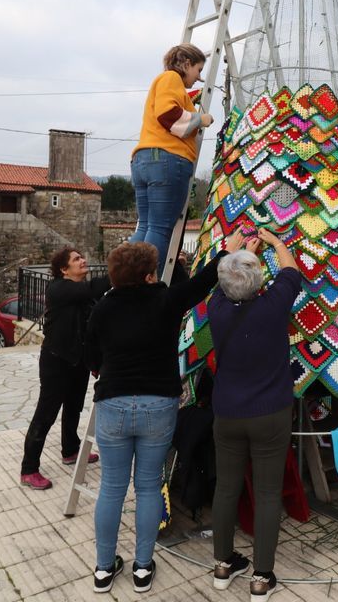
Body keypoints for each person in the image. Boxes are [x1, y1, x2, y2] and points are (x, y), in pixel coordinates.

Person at [85, 233, 244, 594]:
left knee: (111, 488)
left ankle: (103, 569)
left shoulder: (101, 309)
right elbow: (204, 283)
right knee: (147, 486)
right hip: (159, 404)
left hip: (113, 404)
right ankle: (143, 568)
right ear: (148, 276)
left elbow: (92, 361)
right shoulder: (165, 301)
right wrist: (225, 251)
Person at [206, 228, 303, 601]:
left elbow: (221, 275)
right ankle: (262, 577)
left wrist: (236, 251)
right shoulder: (273, 305)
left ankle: (222, 565)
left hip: (227, 413)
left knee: (226, 488)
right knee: (266, 493)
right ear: (260, 280)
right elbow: (291, 272)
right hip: (270, 414)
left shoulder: (215, 309)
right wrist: (274, 243)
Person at [19, 247, 111, 490]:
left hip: (78, 360)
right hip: (56, 360)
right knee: (46, 413)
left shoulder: (84, 295)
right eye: (76, 259)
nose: (83, 260)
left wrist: (94, 360)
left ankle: (70, 450)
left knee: (74, 408)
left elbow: (91, 329)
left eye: (82, 256)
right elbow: (94, 288)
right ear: (63, 269)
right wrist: (121, 268)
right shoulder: (58, 288)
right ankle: (29, 469)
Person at [130, 44, 216, 277]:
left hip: (146, 159)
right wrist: (201, 118)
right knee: (158, 228)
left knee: (146, 225)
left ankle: (128, 279)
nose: (199, 78)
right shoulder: (170, 79)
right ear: (186, 63)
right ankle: (145, 284)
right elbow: (168, 115)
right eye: (198, 70)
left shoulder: (162, 81)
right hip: (166, 160)